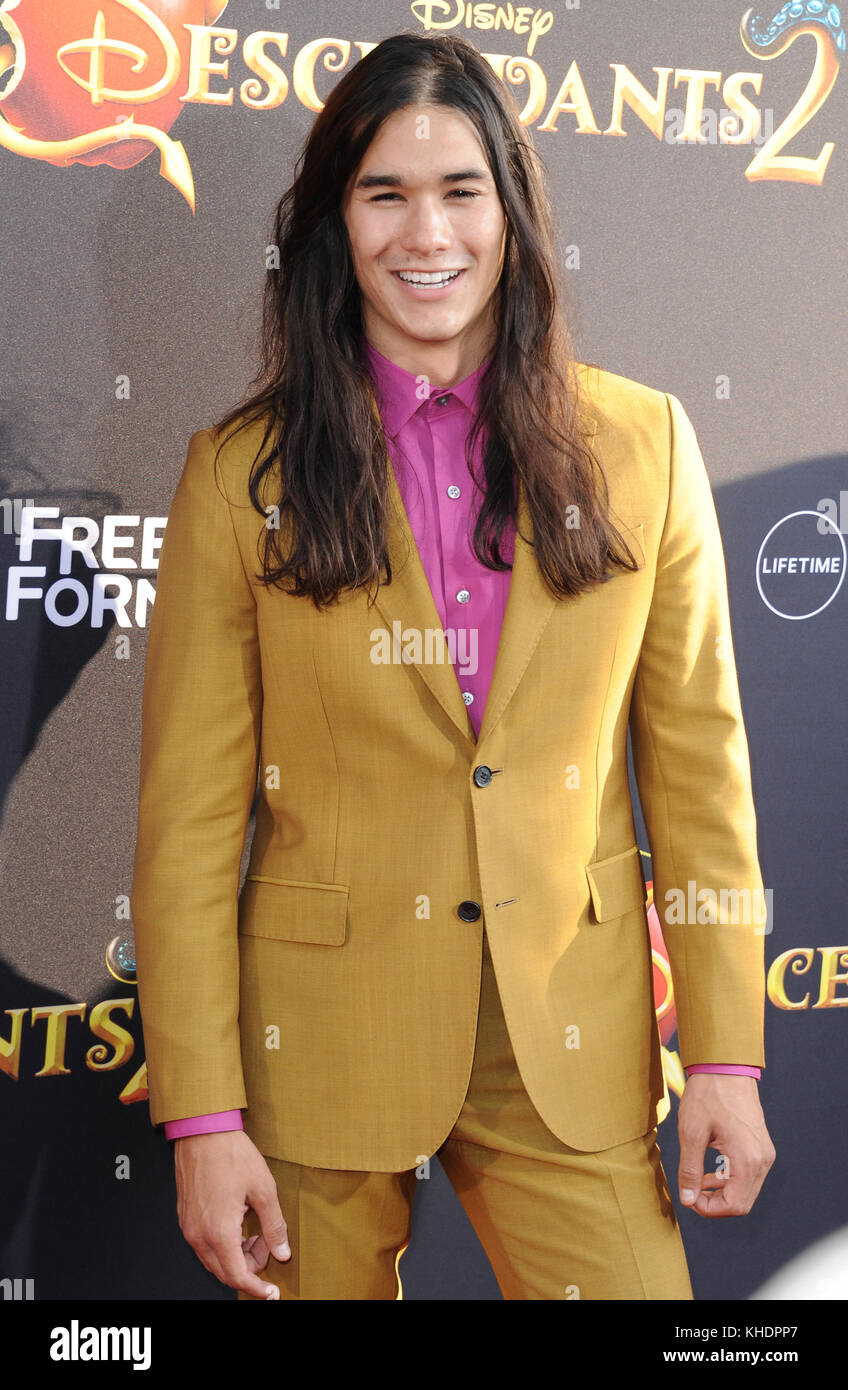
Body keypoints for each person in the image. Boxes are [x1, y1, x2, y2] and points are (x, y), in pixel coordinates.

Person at [130, 32, 775, 1301]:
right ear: (336, 223)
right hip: (317, 1042)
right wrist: (202, 1121)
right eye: (383, 193)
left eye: (458, 190)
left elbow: (700, 771)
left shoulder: (640, 442)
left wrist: (726, 1057)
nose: (424, 233)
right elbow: (190, 823)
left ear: (511, 215)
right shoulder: (237, 476)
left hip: (566, 1035)